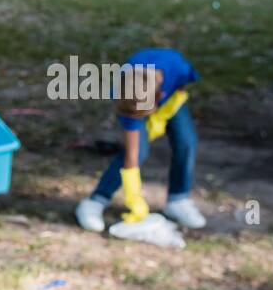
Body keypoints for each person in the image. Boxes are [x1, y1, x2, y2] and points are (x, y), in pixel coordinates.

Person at [74, 48, 206, 233]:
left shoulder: (178, 69)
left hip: (172, 98)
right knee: (137, 151)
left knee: (186, 142)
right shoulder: (128, 96)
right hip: (141, 95)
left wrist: (165, 113)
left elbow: (184, 85)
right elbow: (132, 156)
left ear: (160, 97)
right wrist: (134, 198)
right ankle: (96, 201)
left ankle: (178, 199)